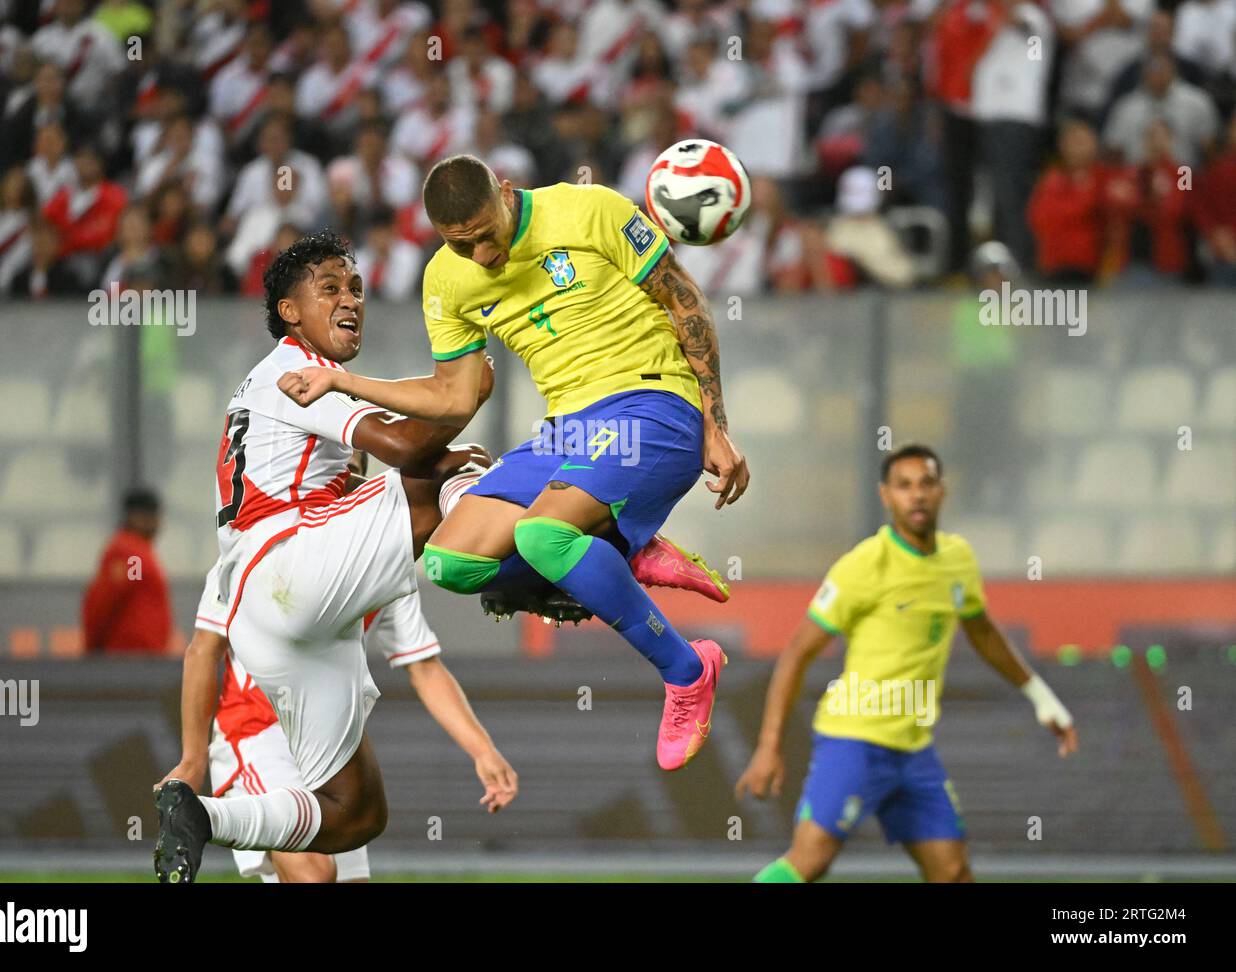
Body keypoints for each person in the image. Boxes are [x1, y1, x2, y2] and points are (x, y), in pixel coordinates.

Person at [276, 155, 748, 771]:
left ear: (505, 193)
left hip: (654, 403)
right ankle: (624, 551)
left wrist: (716, 423)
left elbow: (685, 304)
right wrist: (345, 384)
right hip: (567, 432)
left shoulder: (590, 209)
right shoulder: (448, 277)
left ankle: (687, 671)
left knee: (545, 534)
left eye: (485, 236)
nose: (481, 257)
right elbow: (452, 397)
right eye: (459, 244)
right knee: (451, 561)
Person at [153, 231, 498, 884]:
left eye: (358, 287)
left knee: (355, 814)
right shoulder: (297, 375)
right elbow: (403, 448)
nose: (352, 299)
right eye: (331, 287)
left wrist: (191, 764)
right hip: (292, 565)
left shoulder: (270, 463)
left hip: (278, 618)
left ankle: (204, 818)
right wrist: (467, 395)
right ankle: (522, 576)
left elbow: (203, 648)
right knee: (459, 464)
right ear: (289, 309)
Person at [736, 445, 1078, 883]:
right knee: (810, 863)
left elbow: (983, 632)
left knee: (953, 873)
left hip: (914, 749)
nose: (916, 495)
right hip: (854, 741)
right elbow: (796, 654)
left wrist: (1040, 696)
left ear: (942, 491)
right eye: (904, 486)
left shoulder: (957, 560)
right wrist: (768, 746)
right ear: (886, 496)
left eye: (926, 484)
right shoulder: (863, 566)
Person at [159, 557, 518, 883]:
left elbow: (423, 667)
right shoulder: (253, 543)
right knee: (314, 874)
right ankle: (201, 818)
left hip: (333, 741)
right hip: (257, 734)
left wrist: (483, 751)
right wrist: (193, 760)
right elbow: (204, 650)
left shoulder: (384, 559)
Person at [81, 488, 171, 654]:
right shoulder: (131, 555)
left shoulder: (137, 551)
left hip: (140, 658)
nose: (159, 523)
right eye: (153, 516)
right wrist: (92, 649)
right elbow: (105, 601)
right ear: (137, 517)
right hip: (129, 658)